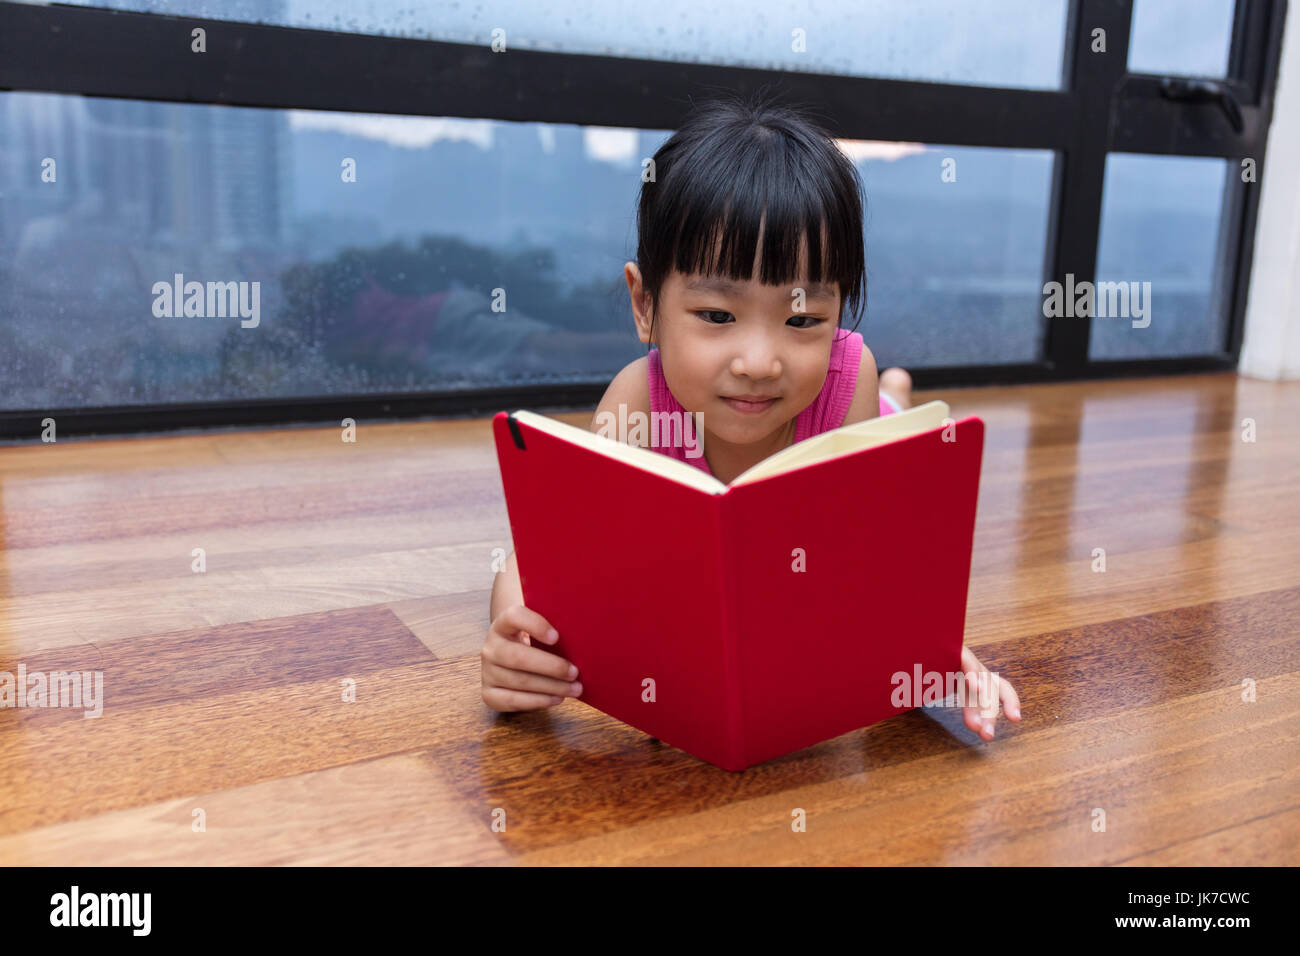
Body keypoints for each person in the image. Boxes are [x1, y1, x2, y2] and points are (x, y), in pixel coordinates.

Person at [481, 91, 1021, 741]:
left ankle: (896, 401)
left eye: (802, 320)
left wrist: (930, 659)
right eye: (717, 317)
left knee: (891, 426)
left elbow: (867, 557)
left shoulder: (846, 375)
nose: (760, 362)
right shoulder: (636, 406)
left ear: (839, 310)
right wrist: (515, 637)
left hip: (849, 417)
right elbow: (545, 555)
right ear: (644, 305)